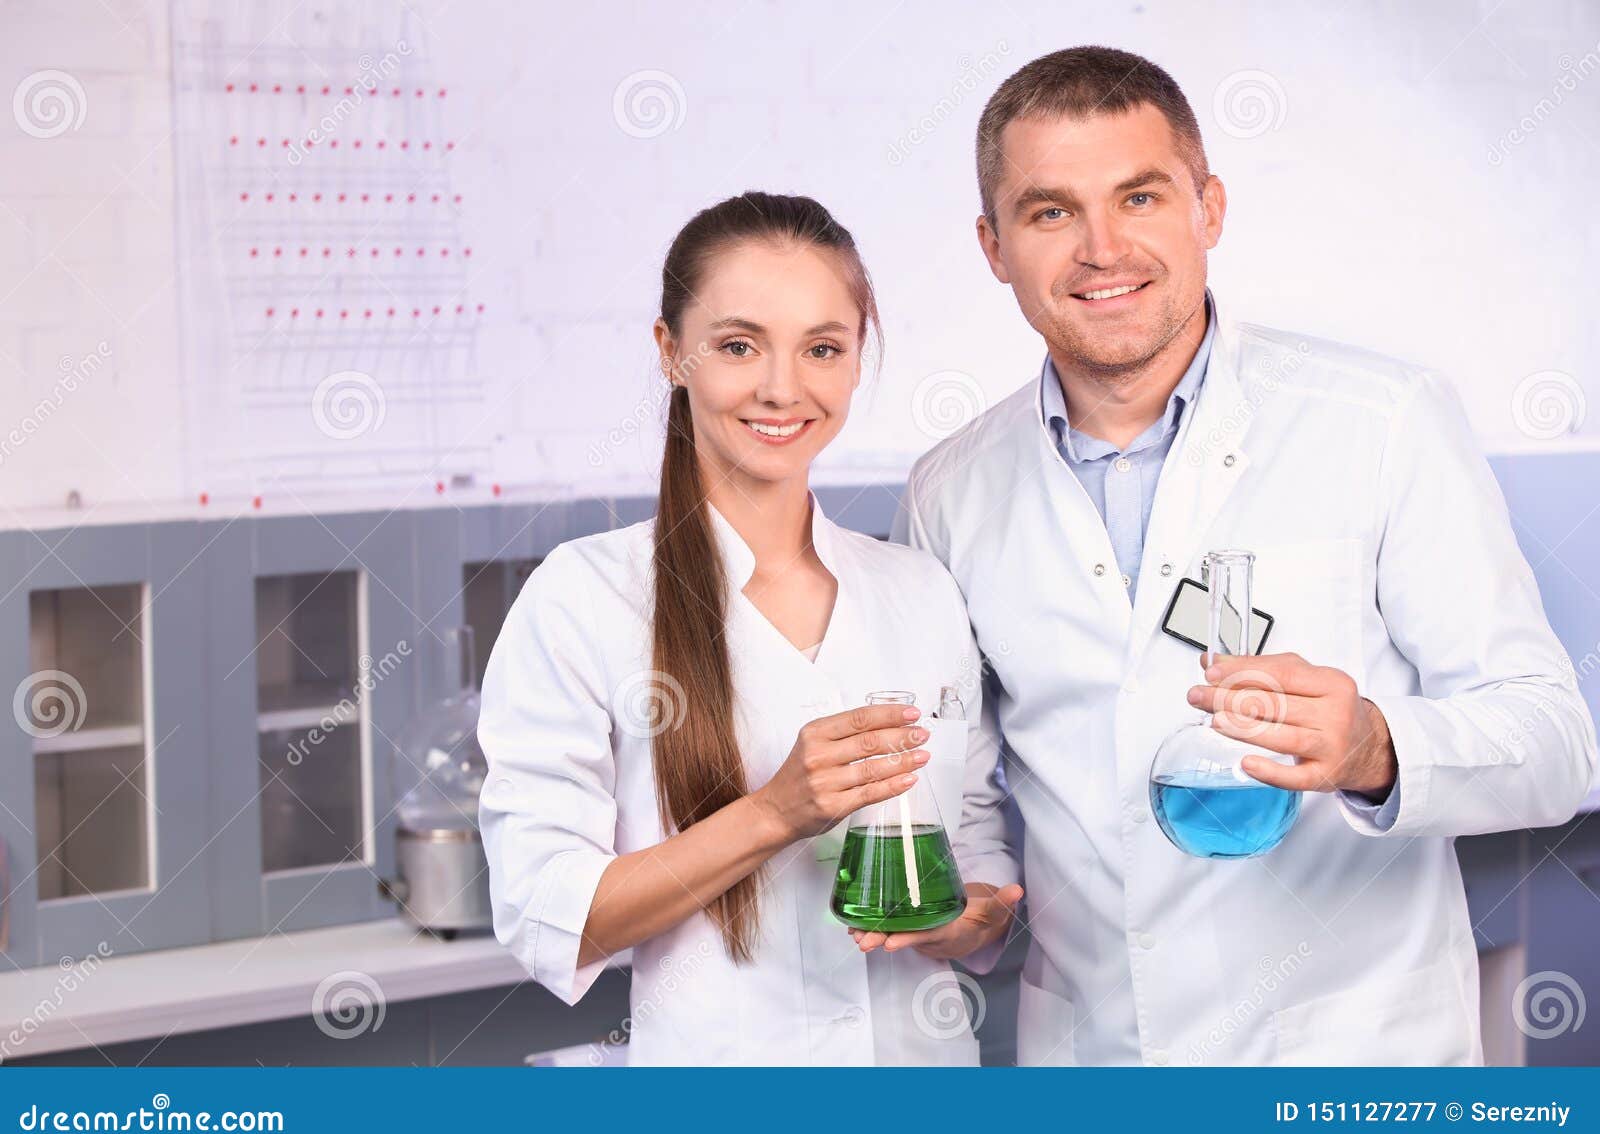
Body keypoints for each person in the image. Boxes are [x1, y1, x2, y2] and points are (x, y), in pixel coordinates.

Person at [889, 46, 1598, 1065]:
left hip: (1348, 1062)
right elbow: (964, 792)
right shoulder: (949, 490)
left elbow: (1551, 738)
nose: (1101, 248)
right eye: (1049, 211)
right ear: (992, 245)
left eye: (1139, 196)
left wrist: (1372, 745)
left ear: (1208, 210)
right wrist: (970, 904)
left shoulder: (1384, 420)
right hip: (1096, 1057)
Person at [477, 192, 1022, 1065]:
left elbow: (973, 834)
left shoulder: (919, 591)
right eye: (738, 345)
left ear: (855, 363)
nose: (782, 387)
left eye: (822, 349)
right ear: (671, 352)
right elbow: (553, 916)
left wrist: (974, 916)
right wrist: (773, 812)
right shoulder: (585, 597)